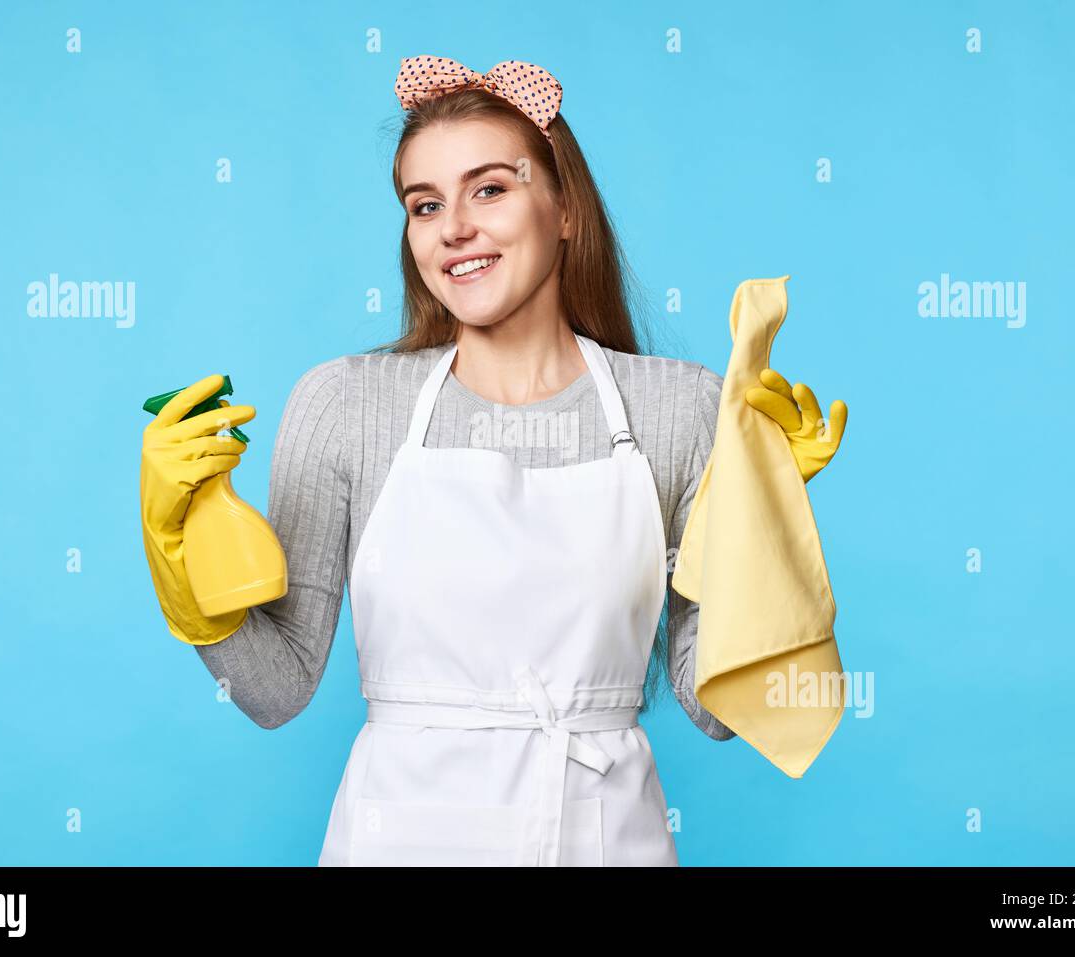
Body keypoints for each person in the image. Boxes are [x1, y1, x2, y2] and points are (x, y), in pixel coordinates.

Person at [139, 56, 846, 866]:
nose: (454, 228)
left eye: (491, 189)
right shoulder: (345, 405)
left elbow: (712, 709)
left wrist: (766, 524)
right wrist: (177, 551)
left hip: (603, 840)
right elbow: (277, 688)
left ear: (567, 208)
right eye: (425, 204)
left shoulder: (677, 408)